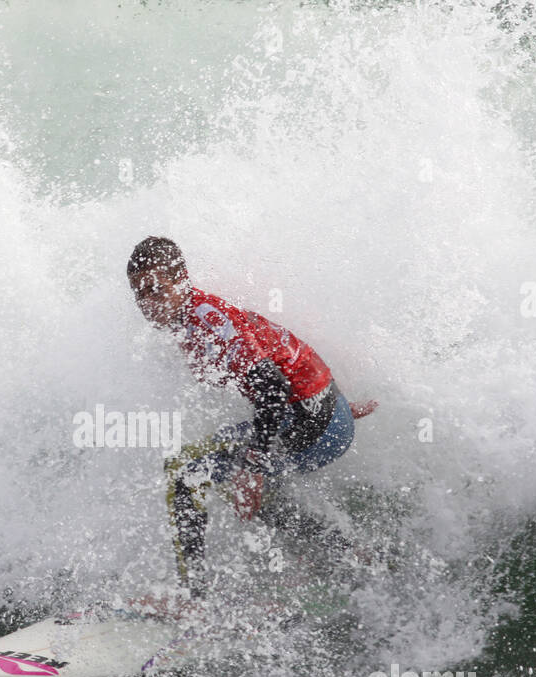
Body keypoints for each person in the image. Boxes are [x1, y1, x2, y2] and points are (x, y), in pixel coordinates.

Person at [127, 236, 377, 597]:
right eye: (140, 294)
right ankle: (346, 551)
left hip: (313, 424)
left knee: (184, 473)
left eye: (156, 289)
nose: (149, 303)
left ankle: (192, 597)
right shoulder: (194, 316)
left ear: (182, 278)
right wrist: (332, 403)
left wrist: (254, 467)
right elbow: (285, 351)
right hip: (325, 414)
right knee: (226, 469)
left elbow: (273, 390)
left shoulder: (208, 321)